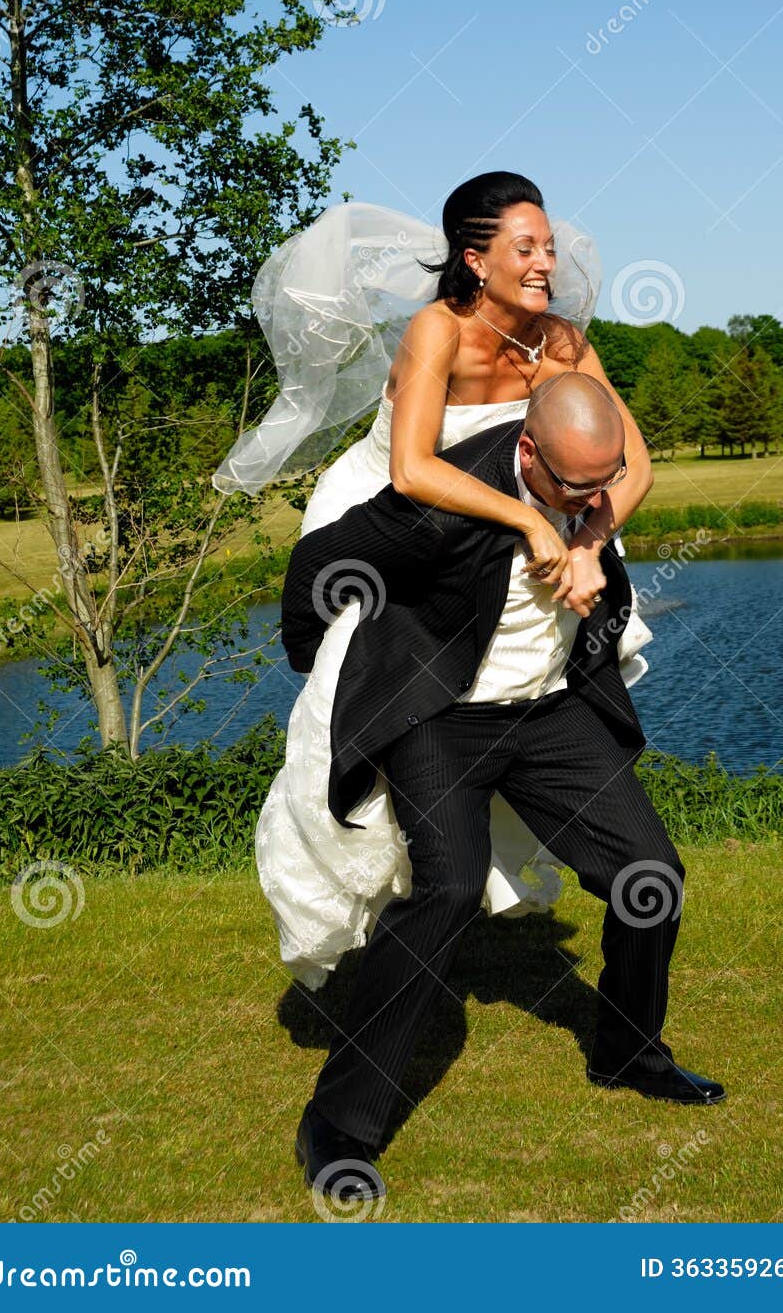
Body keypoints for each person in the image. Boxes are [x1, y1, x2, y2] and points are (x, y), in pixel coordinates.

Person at [281, 373, 725, 1205]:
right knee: (445, 889)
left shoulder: (587, 483)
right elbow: (322, 557)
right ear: (528, 452)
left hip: (548, 713)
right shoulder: (445, 502)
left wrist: (592, 536)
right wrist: (317, 663)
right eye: (576, 489)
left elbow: (611, 492)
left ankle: (628, 1052)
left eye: (608, 482)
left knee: (649, 879)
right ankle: (337, 1124)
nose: (597, 502)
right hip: (443, 718)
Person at [212, 173, 657, 991]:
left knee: (524, 685)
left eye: (550, 247)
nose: (544, 263)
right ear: (473, 258)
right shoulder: (436, 332)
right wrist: (530, 524)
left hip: (518, 524)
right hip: (394, 529)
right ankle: (370, 885)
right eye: (525, 248)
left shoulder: (561, 342)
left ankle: (489, 838)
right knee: (377, 697)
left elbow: (633, 462)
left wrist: (590, 539)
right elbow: (414, 470)